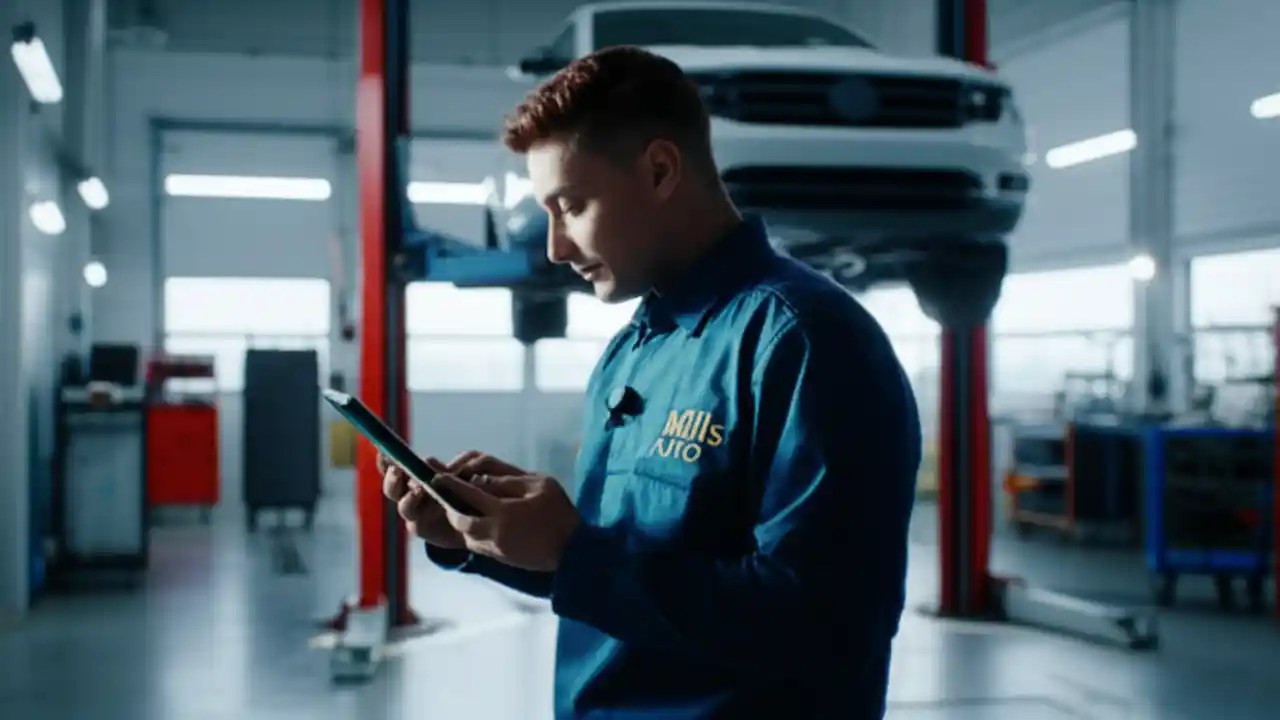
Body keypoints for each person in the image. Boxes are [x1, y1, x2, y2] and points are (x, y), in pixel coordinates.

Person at [380, 46, 921, 719]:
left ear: (661, 170)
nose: (554, 246)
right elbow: (626, 572)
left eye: (570, 205)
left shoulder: (804, 340)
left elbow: (822, 625)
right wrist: (480, 535)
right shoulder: (634, 346)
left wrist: (573, 552)